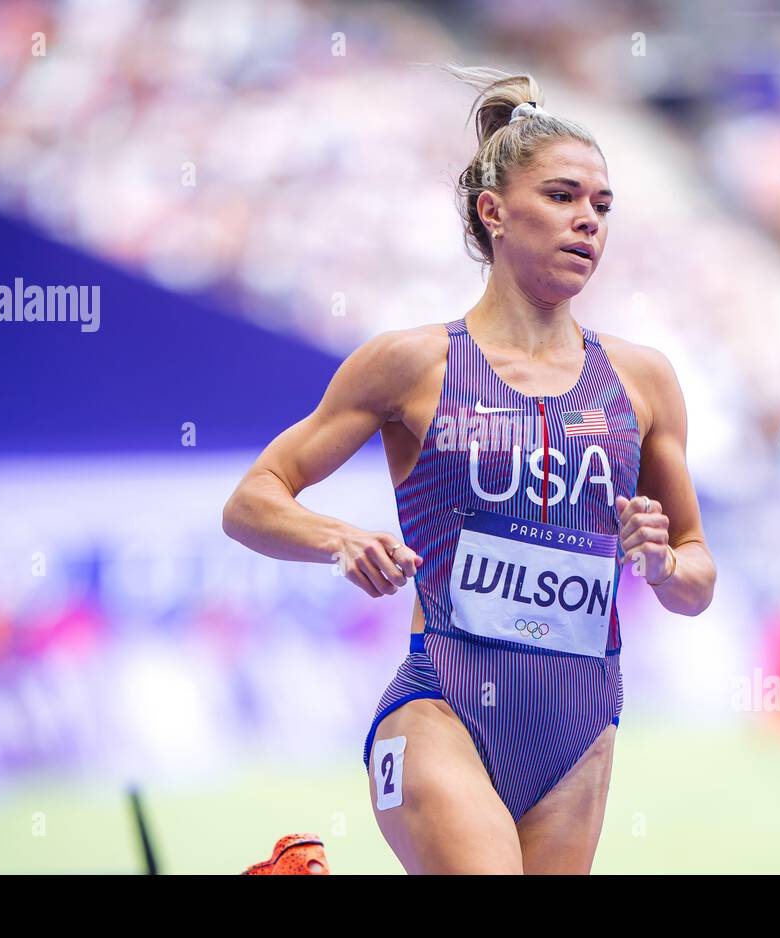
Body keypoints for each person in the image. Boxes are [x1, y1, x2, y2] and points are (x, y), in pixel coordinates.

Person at [222, 66, 716, 874]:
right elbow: (250, 501)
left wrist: (662, 564)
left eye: (602, 205)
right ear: (494, 212)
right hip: (440, 708)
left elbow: (697, 578)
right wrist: (339, 538)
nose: (588, 220)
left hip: (581, 728)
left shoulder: (643, 380)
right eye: (561, 196)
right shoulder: (411, 364)